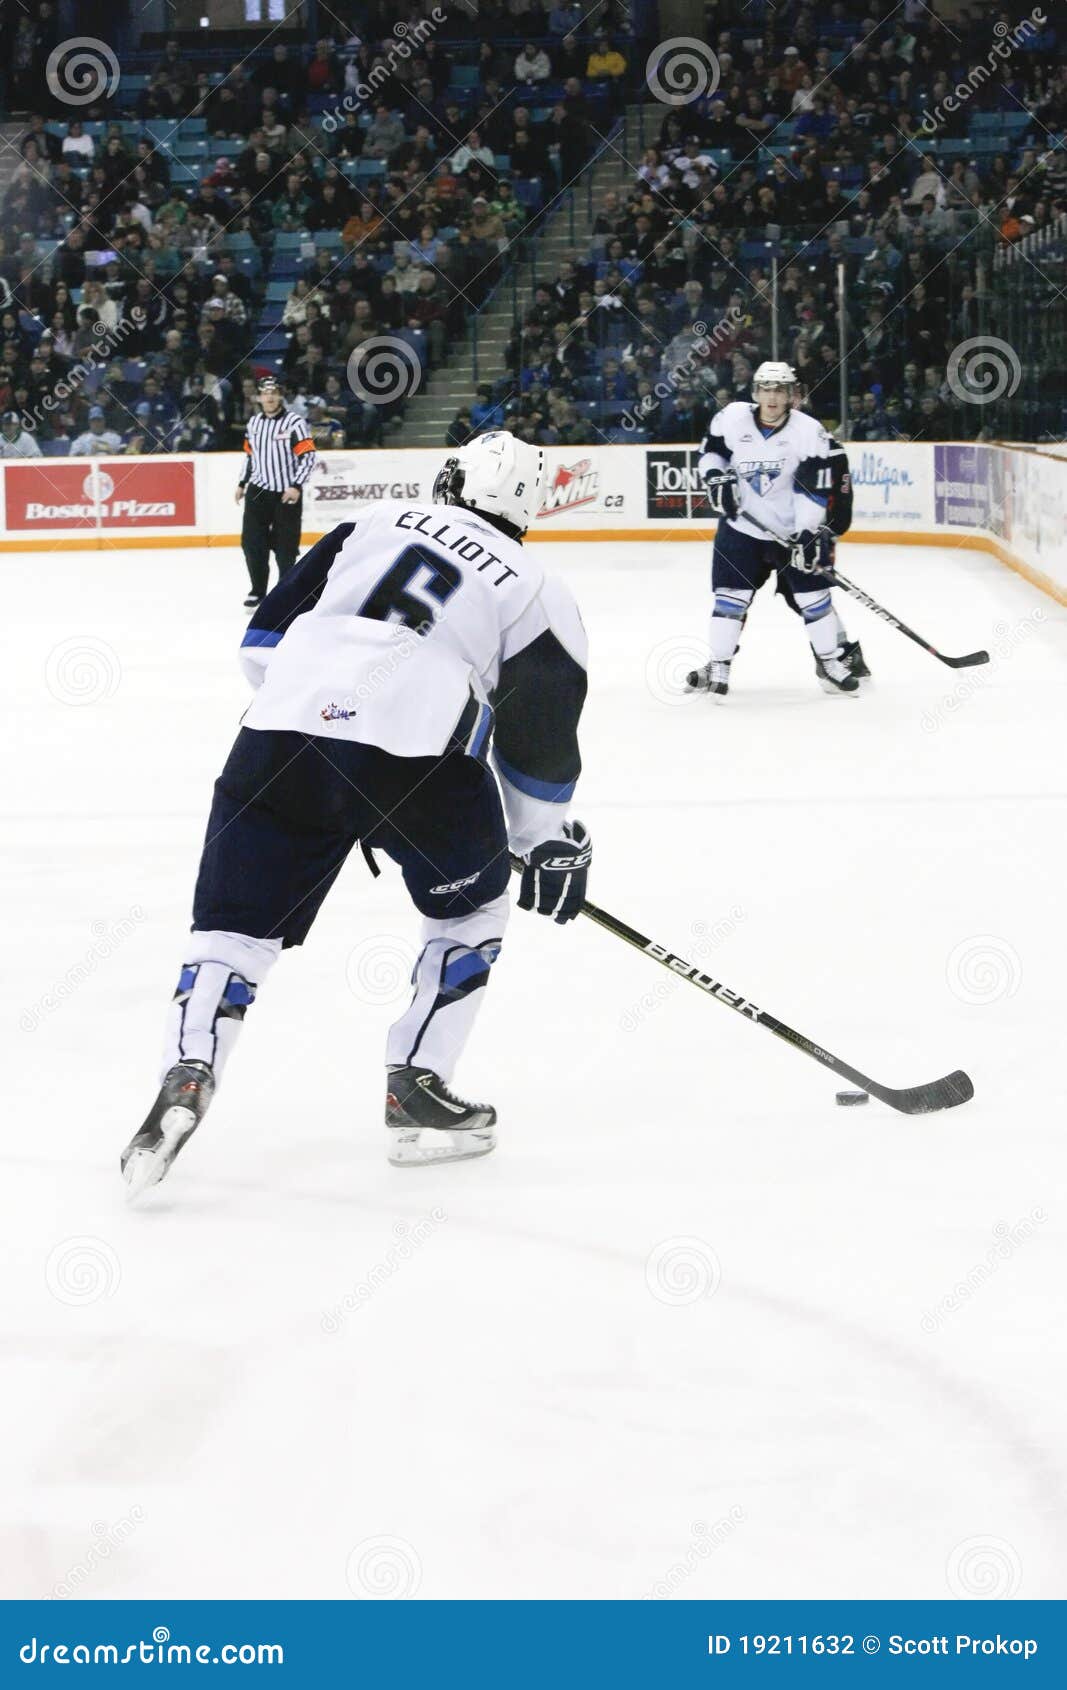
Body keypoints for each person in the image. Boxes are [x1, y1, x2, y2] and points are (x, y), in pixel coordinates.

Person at [119, 433, 591, 1193]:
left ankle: (189, 1069)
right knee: (470, 913)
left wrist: (319, 709)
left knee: (233, 931)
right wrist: (539, 840)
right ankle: (417, 1089)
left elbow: (264, 638)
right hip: (415, 759)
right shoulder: (535, 586)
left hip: (279, 734)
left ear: (449, 480)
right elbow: (540, 729)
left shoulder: (371, 524)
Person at [685, 363, 865, 699]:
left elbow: (812, 489)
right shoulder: (733, 418)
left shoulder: (808, 431)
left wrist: (809, 533)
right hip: (742, 528)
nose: (772, 396)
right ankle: (720, 665)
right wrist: (716, 477)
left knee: (814, 599)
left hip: (791, 530)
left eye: (779, 389)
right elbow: (712, 454)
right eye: (766, 388)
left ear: (790, 395)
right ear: (755, 392)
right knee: (729, 599)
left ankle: (830, 662)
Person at [236, 377, 316, 609]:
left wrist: (296, 485)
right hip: (258, 491)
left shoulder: (295, 422)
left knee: (285, 547)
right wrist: (242, 483)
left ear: (280, 395)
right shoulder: (253, 423)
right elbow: (250, 457)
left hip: (286, 493)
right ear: (259, 397)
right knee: (252, 543)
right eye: (265, 392)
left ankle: (285, 592)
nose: (269, 397)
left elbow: (309, 456)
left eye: (273, 392)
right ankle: (257, 591)